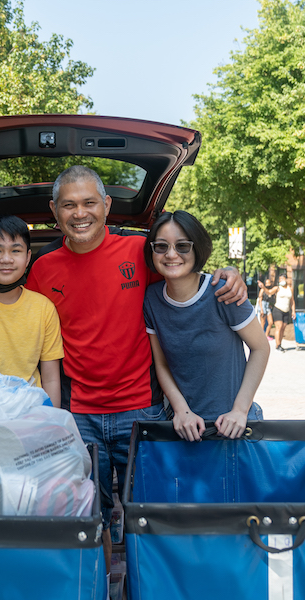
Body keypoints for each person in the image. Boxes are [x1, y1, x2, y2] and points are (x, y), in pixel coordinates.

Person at [25, 165, 247, 542]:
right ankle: (102, 598)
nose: (80, 213)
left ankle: (147, 594)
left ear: (107, 205)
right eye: (69, 205)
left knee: (148, 513)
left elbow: (185, 273)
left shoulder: (139, 252)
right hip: (79, 416)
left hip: (143, 408)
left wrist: (227, 272)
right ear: (54, 210)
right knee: (87, 518)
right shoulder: (42, 268)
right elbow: (25, 329)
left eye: (89, 202)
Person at [142, 211, 270, 442]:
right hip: (186, 428)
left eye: (182, 246)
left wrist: (240, 410)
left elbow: (261, 348)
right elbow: (161, 363)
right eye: (161, 246)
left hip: (236, 427)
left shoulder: (224, 291)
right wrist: (181, 411)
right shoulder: (151, 299)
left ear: (197, 248)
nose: (171, 254)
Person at [0, 215, 64, 407]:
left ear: (28, 257)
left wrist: (51, 422)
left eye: (16, 251)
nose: (6, 259)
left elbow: (51, 378)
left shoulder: (43, 308)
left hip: (30, 415)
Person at [265, 276, 296, 352]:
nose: (281, 281)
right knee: (279, 326)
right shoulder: (277, 288)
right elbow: (269, 292)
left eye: (282, 279)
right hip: (278, 309)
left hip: (286, 310)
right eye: (279, 279)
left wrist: (293, 311)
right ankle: (277, 344)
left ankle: (280, 343)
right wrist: (263, 287)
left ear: (286, 279)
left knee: (283, 328)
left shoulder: (290, 289)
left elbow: (292, 301)